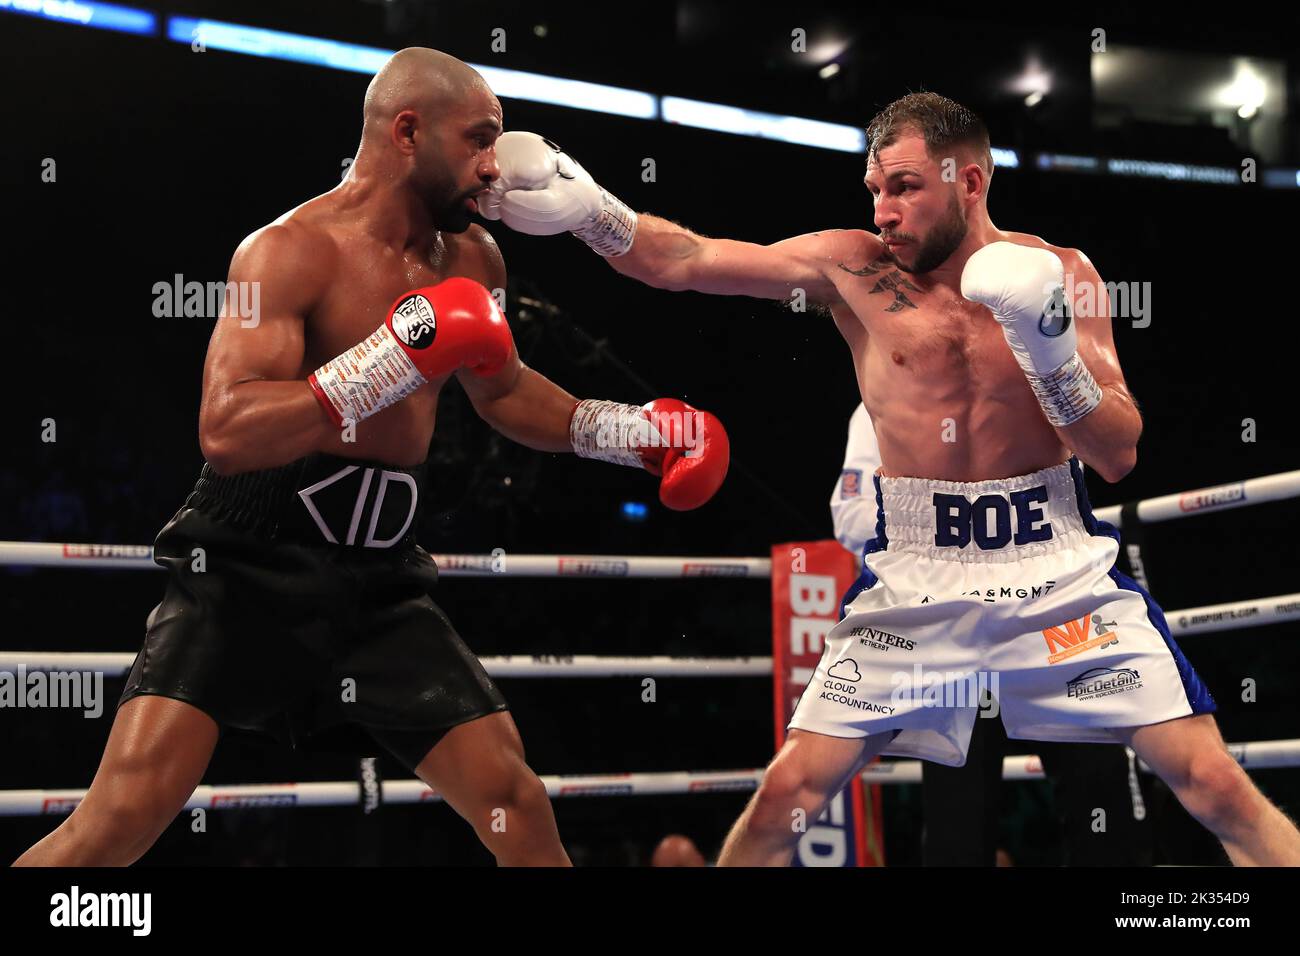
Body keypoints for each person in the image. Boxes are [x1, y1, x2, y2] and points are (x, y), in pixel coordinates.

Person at [479, 91, 1300, 866]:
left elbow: (1117, 452)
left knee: (1214, 783)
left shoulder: (1063, 274)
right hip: (916, 572)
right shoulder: (854, 270)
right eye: (875, 188)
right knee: (785, 796)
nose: (883, 210)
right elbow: (686, 260)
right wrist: (590, 211)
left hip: (1055, 566)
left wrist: (1049, 356)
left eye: (904, 187)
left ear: (969, 180)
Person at [13, 48, 728, 868]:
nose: (497, 166)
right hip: (248, 561)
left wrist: (630, 433)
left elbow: (503, 392)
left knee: (513, 801)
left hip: (379, 579)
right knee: (119, 821)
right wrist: (390, 360)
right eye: (480, 140)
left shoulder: (474, 259)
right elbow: (229, 426)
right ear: (407, 131)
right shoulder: (285, 252)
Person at [833, 404, 1153, 865]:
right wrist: (949, 525)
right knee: (958, 825)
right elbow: (850, 514)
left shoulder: (1041, 372)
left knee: (1100, 799)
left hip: (1055, 617)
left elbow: (1114, 457)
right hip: (954, 632)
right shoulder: (886, 391)